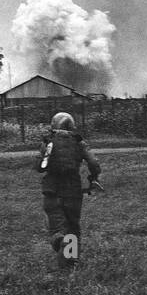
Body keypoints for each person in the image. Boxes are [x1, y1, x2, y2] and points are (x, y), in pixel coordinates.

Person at [38, 112, 102, 271]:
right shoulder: (79, 142)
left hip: (52, 190)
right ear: (72, 125)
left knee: (56, 227)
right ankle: (70, 265)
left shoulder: (49, 142)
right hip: (73, 191)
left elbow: (42, 165)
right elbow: (93, 162)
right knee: (73, 227)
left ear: (54, 125)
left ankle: (60, 240)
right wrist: (93, 177)